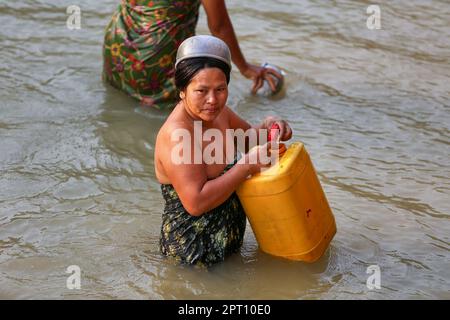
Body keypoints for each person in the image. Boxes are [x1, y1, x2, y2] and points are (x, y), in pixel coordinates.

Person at [154, 35, 292, 266]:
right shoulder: (178, 135)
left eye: (220, 89)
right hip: (191, 256)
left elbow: (251, 142)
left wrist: (272, 127)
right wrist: (245, 166)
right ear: (182, 89)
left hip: (227, 244)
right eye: (201, 91)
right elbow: (195, 203)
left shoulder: (220, 114)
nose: (212, 100)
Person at [103, 0, 282, 109]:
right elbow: (219, 27)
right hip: (156, 59)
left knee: (118, 109)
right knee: (181, 122)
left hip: (117, 48)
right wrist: (245, 68)